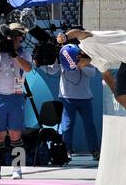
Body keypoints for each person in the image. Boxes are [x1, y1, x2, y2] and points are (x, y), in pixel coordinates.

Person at [43, 31, 101, 160]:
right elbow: (53, 70)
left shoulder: (85, 56)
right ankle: (66, 150)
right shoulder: (63, 55)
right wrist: (41, 64)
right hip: (67, 96)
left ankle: (94, 150)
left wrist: (79, 64)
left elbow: (92, 73)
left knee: (89, 125)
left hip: (85, 97)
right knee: (67, 125)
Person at [0, 23, 31, 180]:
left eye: (17, 38)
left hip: (16, 96)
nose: (14, 40)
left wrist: (14, 55)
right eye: (12, 37)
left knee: (15, 134)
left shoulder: (24, 53)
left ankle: (17, 169)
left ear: (21, 38)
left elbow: (28, 68)